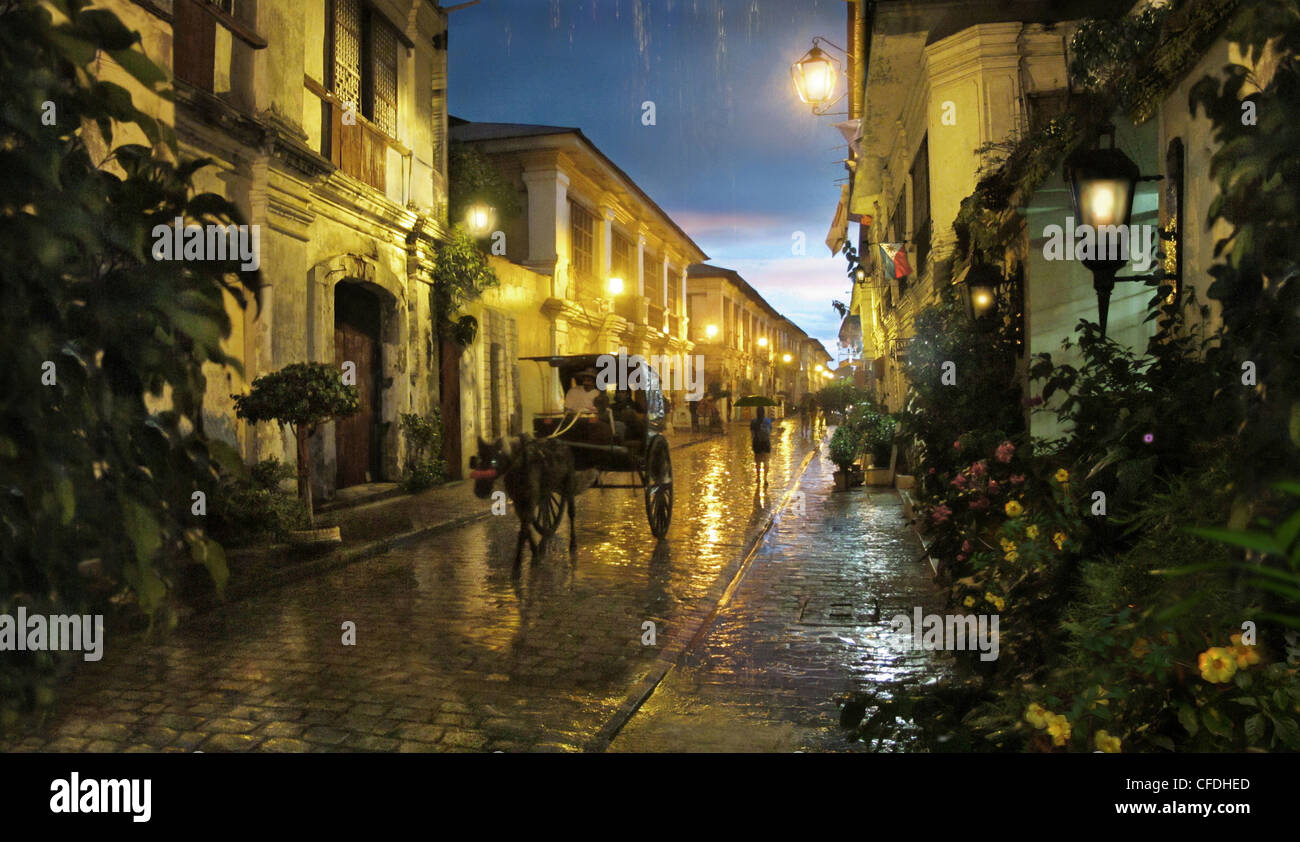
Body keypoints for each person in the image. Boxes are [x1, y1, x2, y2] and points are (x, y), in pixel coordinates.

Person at [750, 405, 772, 485]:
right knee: (766, 461)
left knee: (758, 462)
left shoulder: (753, 421)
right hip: (766, 443)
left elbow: (752, 434)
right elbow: (770, 432)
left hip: (757, 443)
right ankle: (765, 479)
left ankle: (758, 477)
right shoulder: (768, 421)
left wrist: (752, 442)